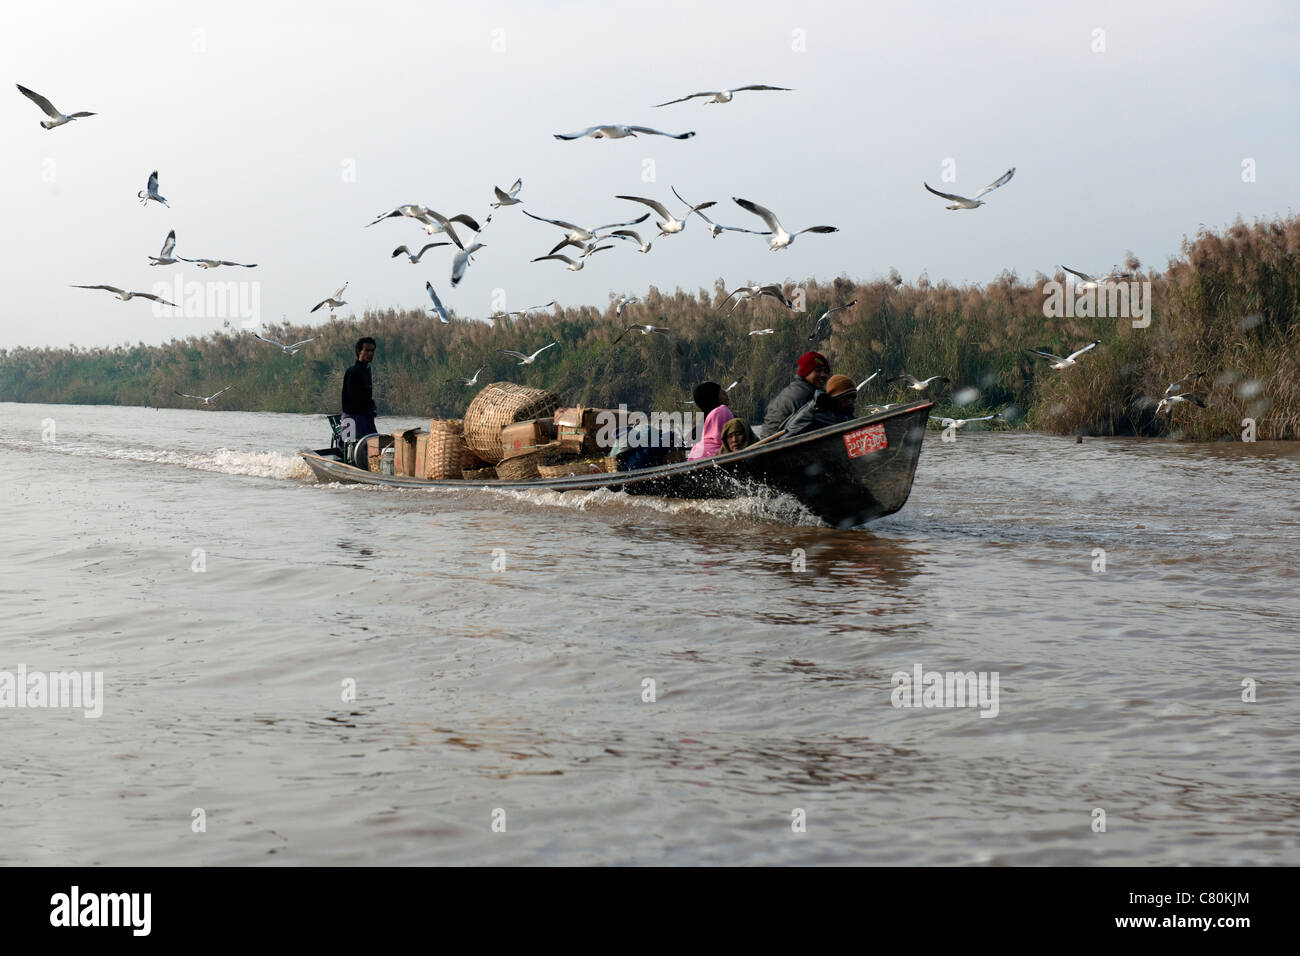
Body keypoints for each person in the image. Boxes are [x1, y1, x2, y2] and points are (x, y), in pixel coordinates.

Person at [762, 351, 830, 434]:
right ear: (805, 372)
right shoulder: (807, 394)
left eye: (826, 371)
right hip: (776, 442)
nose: (823, 375)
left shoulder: (795, 388)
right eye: (818, 370)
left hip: (768, 439)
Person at [783, 374, 858, 437]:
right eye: (846, 398)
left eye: (853, 397)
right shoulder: (818, 409)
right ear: (835, 399)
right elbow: (847, 425)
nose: (851, 401)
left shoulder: (836, 410)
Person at [340, 337, 377, 445]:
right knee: (349, 450)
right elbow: (350, 400)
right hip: (352, 418)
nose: (370, 353)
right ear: (359, 351)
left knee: (373, 447)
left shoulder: (366, 371)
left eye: (372, 351)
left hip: (365, 418)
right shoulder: (352, 372)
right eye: (367, 350)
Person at [687, 381, 734, 460]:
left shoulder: (694, 433)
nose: (726, 394)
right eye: (722, 393)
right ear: (714, 398)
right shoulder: (733, 421)